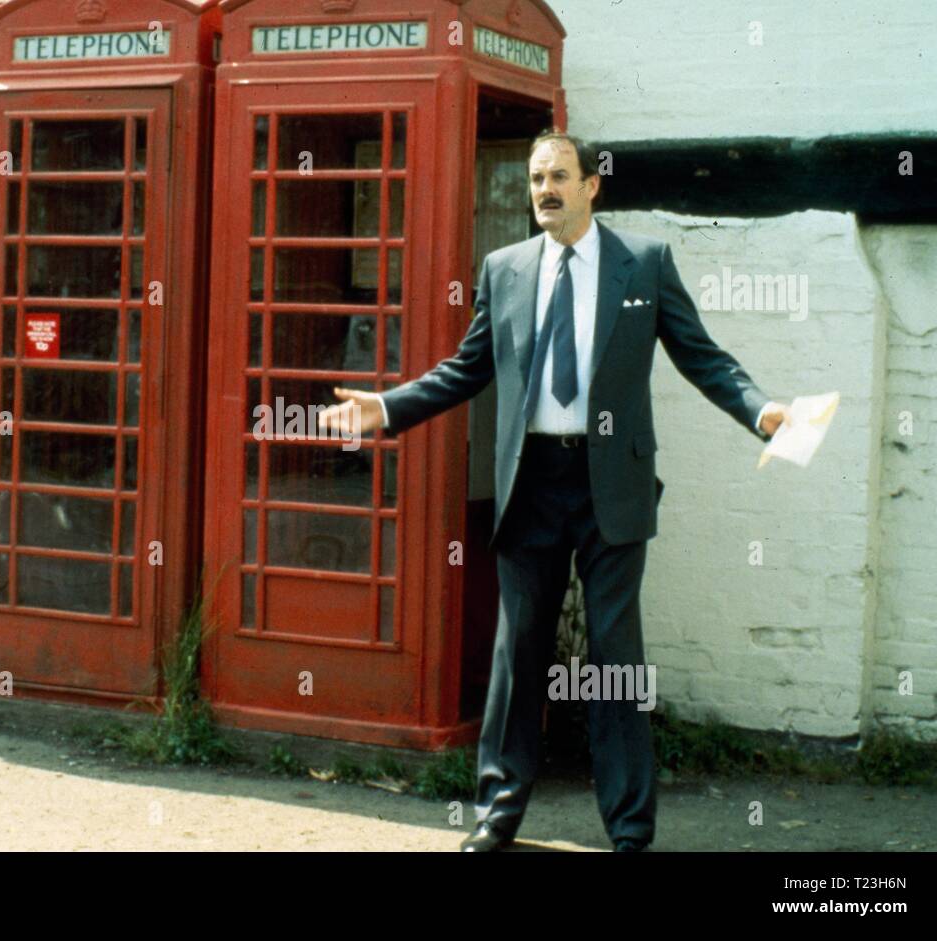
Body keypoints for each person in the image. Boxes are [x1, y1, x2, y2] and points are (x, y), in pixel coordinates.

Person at [318, 131, 790, 853]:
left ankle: (630, 830)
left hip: (613, 486)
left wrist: (761, 411)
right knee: (518, 654)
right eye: (537, 177)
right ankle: (498, 814)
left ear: (592, 185)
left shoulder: (644, 263)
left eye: (560, 177)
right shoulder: (505, 269)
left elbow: (703, 357)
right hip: (531, 483)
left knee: (615, 659)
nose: (545, 189)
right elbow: (466, 367)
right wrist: (388, 407)